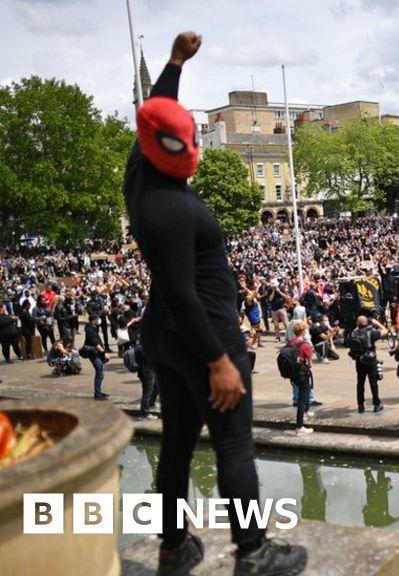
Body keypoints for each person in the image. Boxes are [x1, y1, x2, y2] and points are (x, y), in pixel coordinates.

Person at [123, 32, 306, 575]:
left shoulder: (141, 175)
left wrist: (174, 63)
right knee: (234, 446)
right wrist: (219, 360)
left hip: (163, 334)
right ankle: (253, 552)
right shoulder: (171, 209)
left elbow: (154, 113)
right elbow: (183, 295)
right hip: (202, 331)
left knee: (177, 445)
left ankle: (173, 546)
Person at [348, 315, 387, 413]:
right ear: (366, 323)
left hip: (359, 360)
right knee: (373, 383)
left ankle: (360, 405)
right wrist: (377, 323)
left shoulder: (353, 333)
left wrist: (357, 327)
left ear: (357, 323)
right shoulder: (371, 332)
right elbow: (385, 331)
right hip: (371, 360)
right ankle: (376, 404)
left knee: (360, 383)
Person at [287, 322, 315, 435]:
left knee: (304, 393)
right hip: (302, 373)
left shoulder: (290, 343)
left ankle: (306, 412)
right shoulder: (305, 345)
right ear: (303, 332)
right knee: (302, 399)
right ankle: (299, 427)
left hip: (292, 373)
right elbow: (310, 364)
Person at [84, 314, 108, 400]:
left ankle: (98, 392)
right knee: (100, 372)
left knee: (100, 372)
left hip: (96, 353)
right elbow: (96, 343)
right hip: (93, 353)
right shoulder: (90, 330)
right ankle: (97, 393)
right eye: (97, 319)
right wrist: (104, 353)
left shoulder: (93, 328)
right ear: (93, 320)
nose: (99, 320)